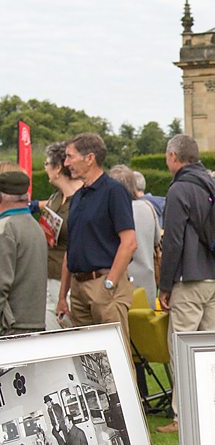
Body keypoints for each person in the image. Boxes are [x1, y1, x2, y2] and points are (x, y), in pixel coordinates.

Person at [156, 134, 215, 433]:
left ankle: (184, 418)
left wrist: (165, 285)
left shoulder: (179, 189)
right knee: (209, 349)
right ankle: (211, 411)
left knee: (183, 348)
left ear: (174, 156)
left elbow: (172, 241)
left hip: (191, 278)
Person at [57, 133, 136, 350]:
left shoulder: (114, 191)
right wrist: (63, 295)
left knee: (116, 357)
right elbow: (70, 249)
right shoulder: (79, 197)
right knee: (87, 362)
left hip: (104, 285)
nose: (66, 163)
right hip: (79, 288)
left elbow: (129, 242)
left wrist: (109, 283)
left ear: (89, 158)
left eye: (70, 157)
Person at [38, 142, 82, 330]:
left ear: (57, 168)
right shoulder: (56, 196)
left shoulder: (81, 198)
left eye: (47, 164)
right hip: (48, 272)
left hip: (69, 279)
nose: (44, 168)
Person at [0, 168, 48, 335]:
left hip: (10, 326)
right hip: (34, 322)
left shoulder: (5, 228)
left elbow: (1, 283)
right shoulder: (35, 226)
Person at [109, 165, 161, 306]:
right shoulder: (148, 207)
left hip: (120, 283)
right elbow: (156, 240)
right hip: (146, 282)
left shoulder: (111, 211)